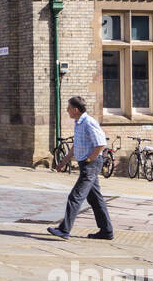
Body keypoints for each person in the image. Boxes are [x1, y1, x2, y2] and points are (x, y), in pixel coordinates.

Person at [47, 96, 115, 241]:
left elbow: (101, 144)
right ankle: (106, 231)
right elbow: (76, 146)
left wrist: (90, 160)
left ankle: (64, 229)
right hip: (86, 164)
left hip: (91, 164)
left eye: (69, 108)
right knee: (95, 199)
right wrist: (63, 162)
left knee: (75, 196)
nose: (67, 110)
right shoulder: (78, 123)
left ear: (76, 110)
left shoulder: (89, 123)